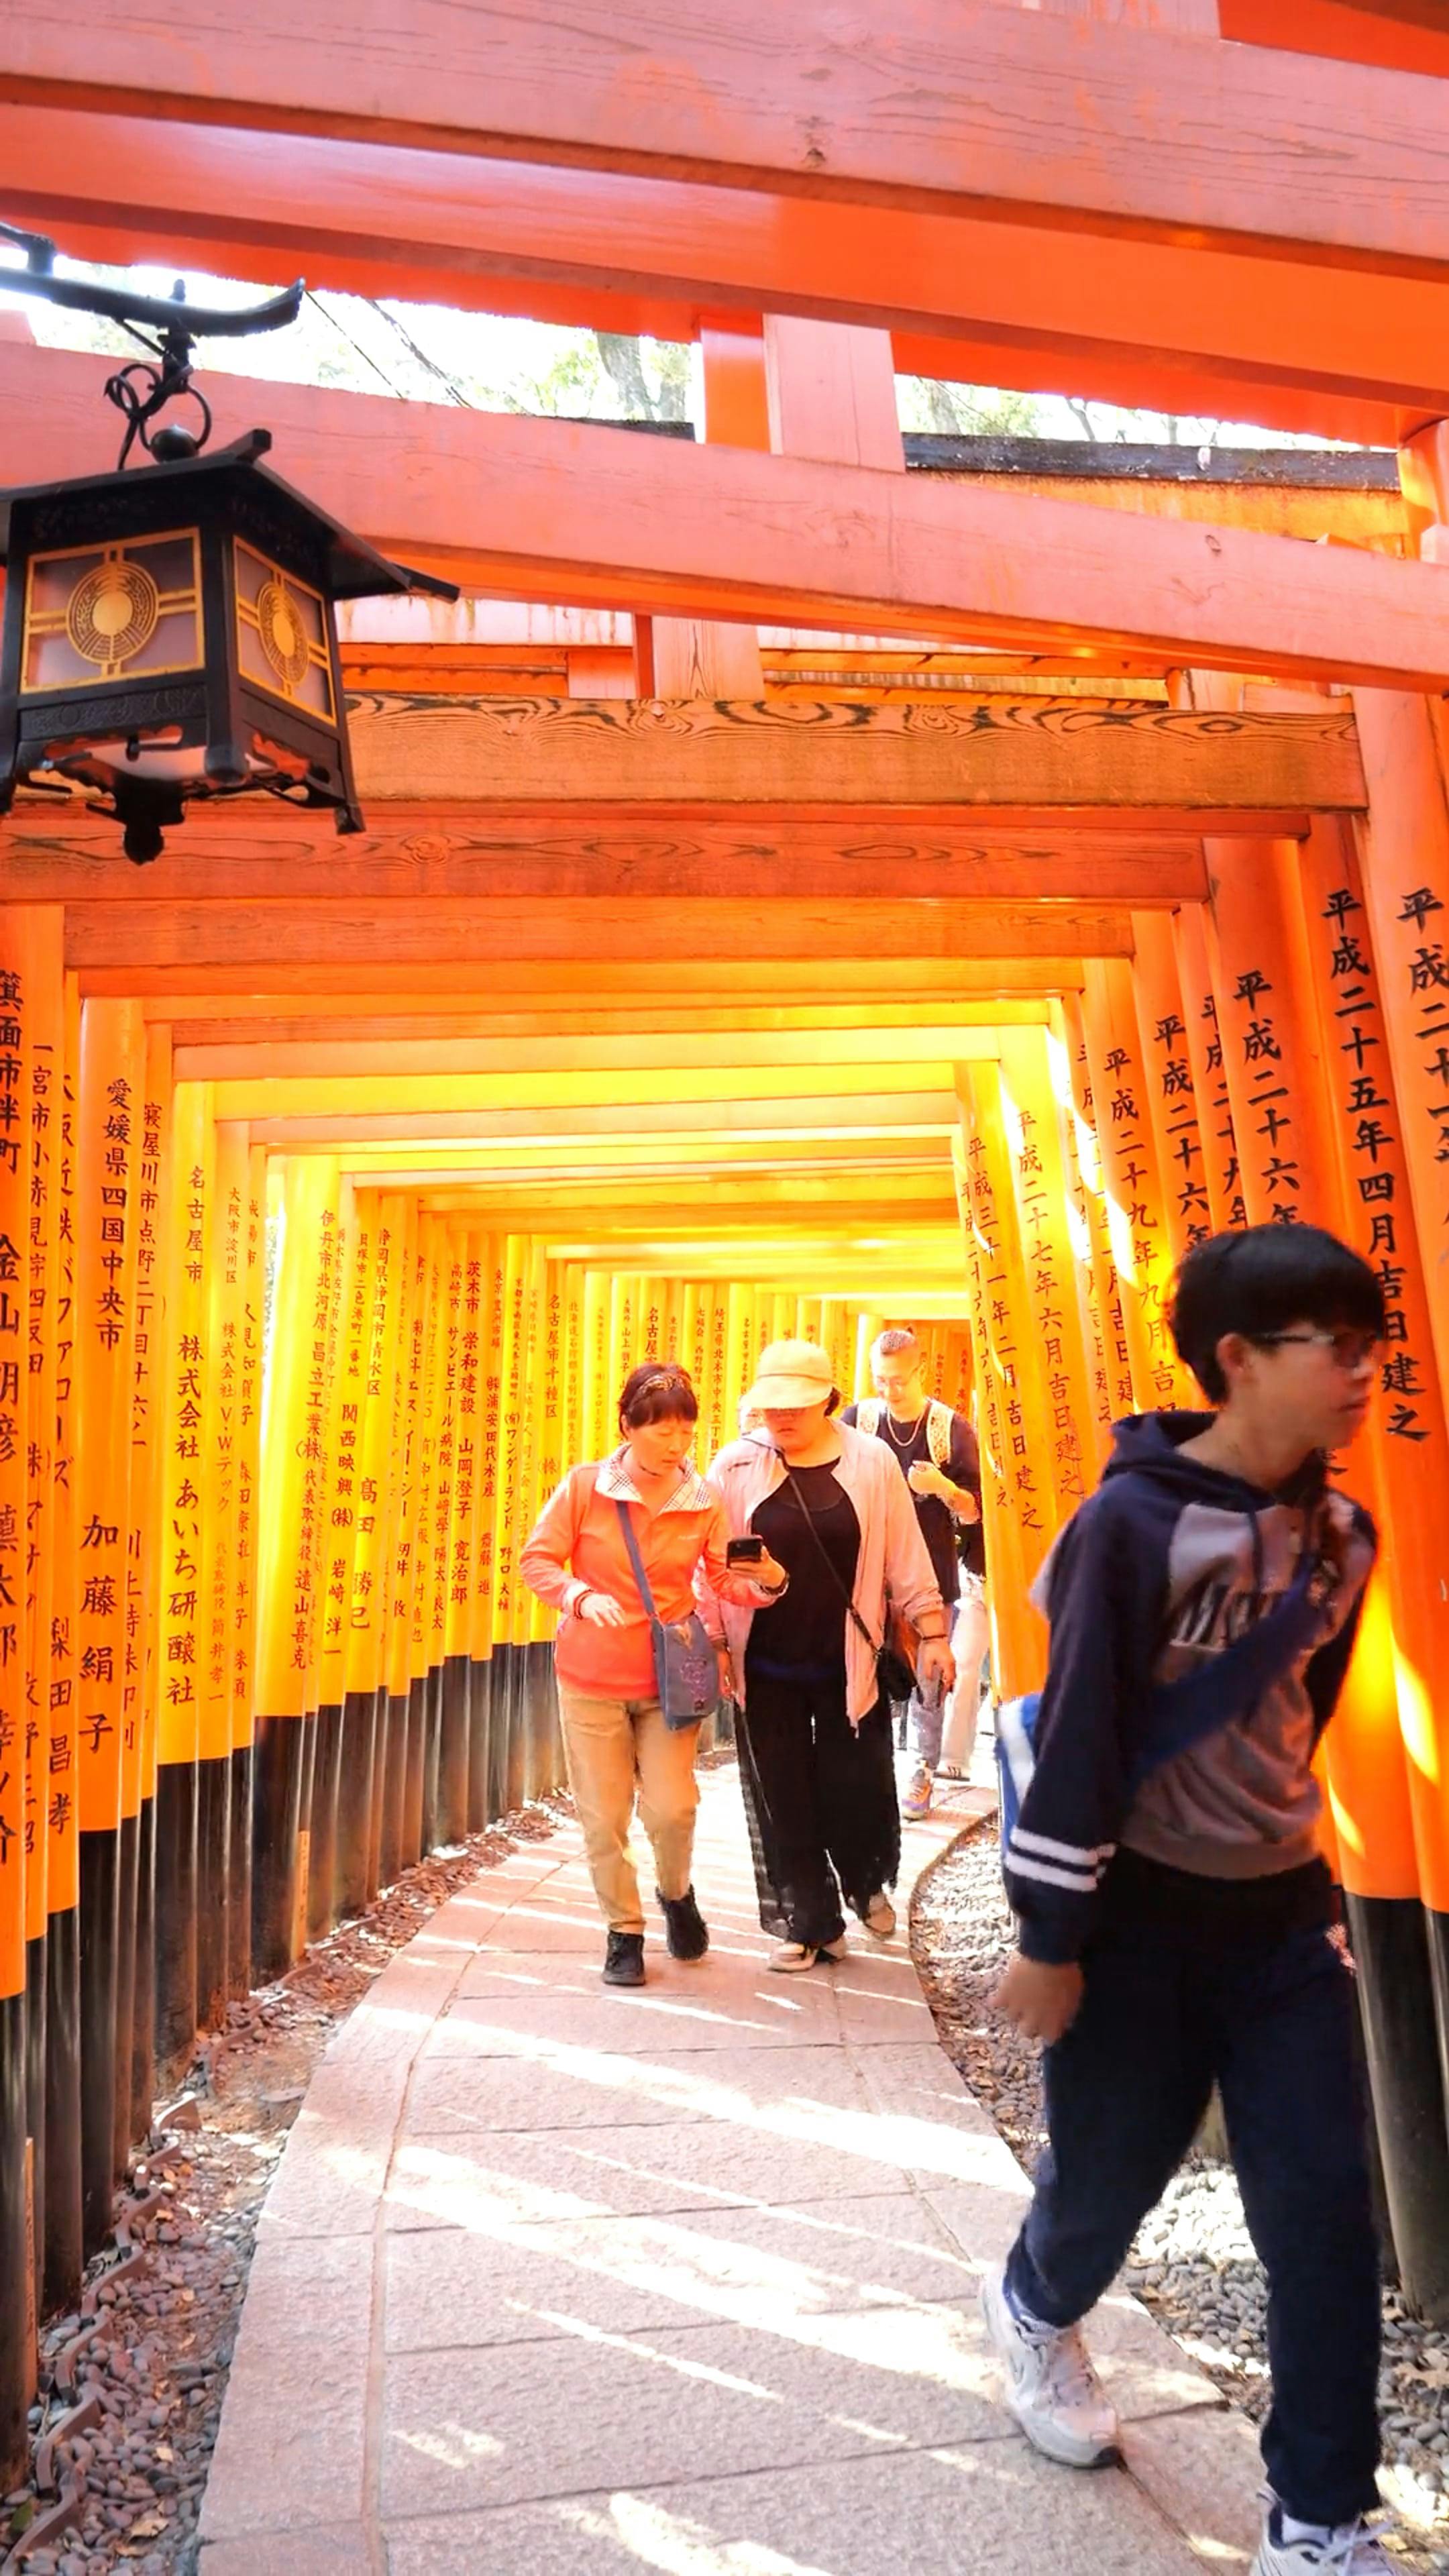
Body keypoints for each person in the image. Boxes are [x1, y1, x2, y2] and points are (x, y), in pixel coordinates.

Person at [982, 1226, 1389, 2576]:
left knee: (1326, 2209)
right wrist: (1054, 1940)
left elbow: (1302, 1719)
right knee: (1105, 2184)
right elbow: (1091, 1727)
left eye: (1367, 1347)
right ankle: (1036, 2304)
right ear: (1236, 1360)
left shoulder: (1345, 1534)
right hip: (1137, 1923)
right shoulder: (1131, 1523)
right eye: (1334, 1346)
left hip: (1280, 1923)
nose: (1360, 1374)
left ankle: (1319, 2521)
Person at [521, 1362, 787, 1988]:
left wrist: (770, 1580)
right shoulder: (586, 1487)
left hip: (671, 1676)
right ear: (627, 1427)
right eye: (662, 1431)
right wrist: (580, 1597)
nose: (675, 1445)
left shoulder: (705, 1500)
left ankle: (676, 1892)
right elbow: (538, 1561)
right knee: (604, 1815)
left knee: (673, 1809)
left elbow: (722, 1580)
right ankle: (624, 1931)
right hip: (590, 1677)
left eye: (685, 1433)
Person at [702, 1338, 954, 1972]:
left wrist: (933, 1632)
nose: (781, 1418)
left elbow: (904, 1554)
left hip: (851, 1659)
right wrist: (716, 1645)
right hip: (766, 1662)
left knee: (856, 1784)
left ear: (829, 1400)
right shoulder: (733, 1467)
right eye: (771, 1408)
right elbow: (705, 1567)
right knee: (783, 1793)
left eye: (796, 1406)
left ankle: (865, 1883)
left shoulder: (870, 1462)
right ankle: (809, 1922)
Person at [845, 1327, 984, 1819]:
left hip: (929, 1575)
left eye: (899, 1380)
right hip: (865, 1574)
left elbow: (972, 1513)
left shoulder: (950, 1428)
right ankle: (870, 1770)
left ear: (920, 1370)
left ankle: (922, 1771)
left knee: (929, 1674)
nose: (889, 1390)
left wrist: (943, 1485)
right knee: (867, 1672)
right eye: (880, 1380)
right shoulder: (858, 1421)